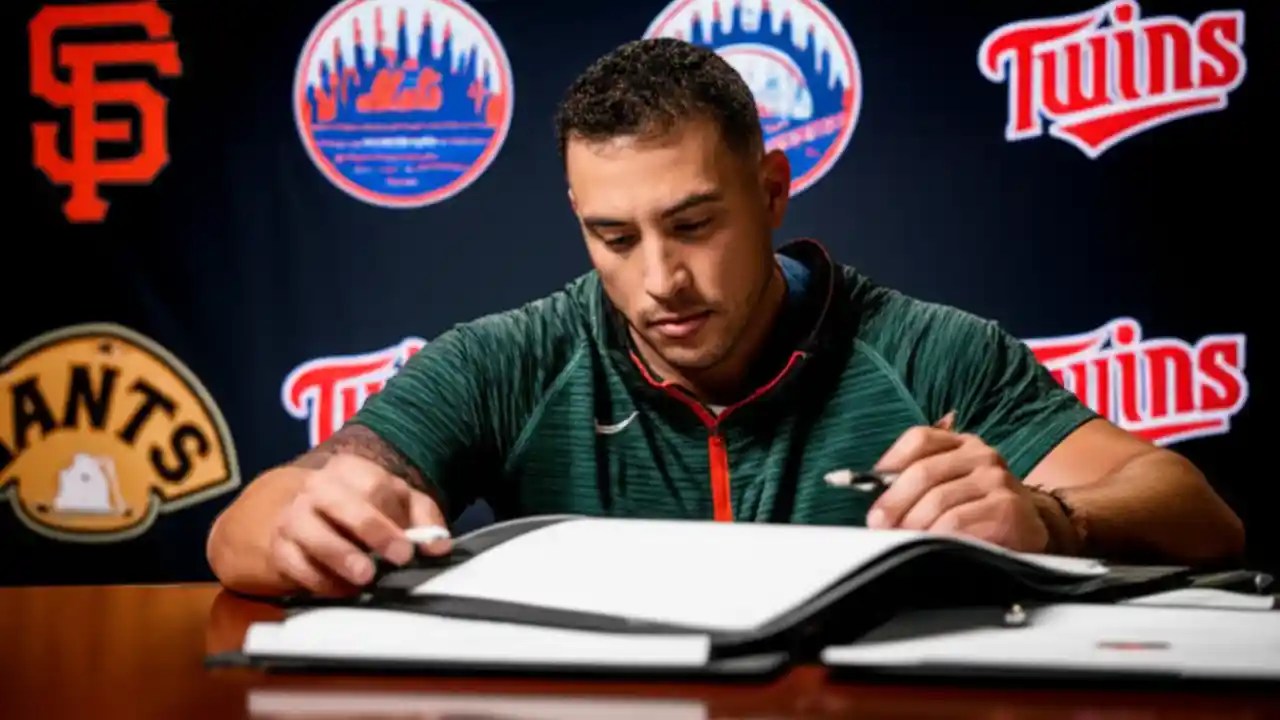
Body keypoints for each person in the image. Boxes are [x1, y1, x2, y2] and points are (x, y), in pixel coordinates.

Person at [206, 38, 1244, 598]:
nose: (660, 279)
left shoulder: (928, 350)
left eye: (693, 223)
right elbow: (243, 531)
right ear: (578, 221)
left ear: (771, 192)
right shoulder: (512, 359)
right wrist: (304, 524)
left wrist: (1046, 522)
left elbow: (1197, 515)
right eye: (614, 238)